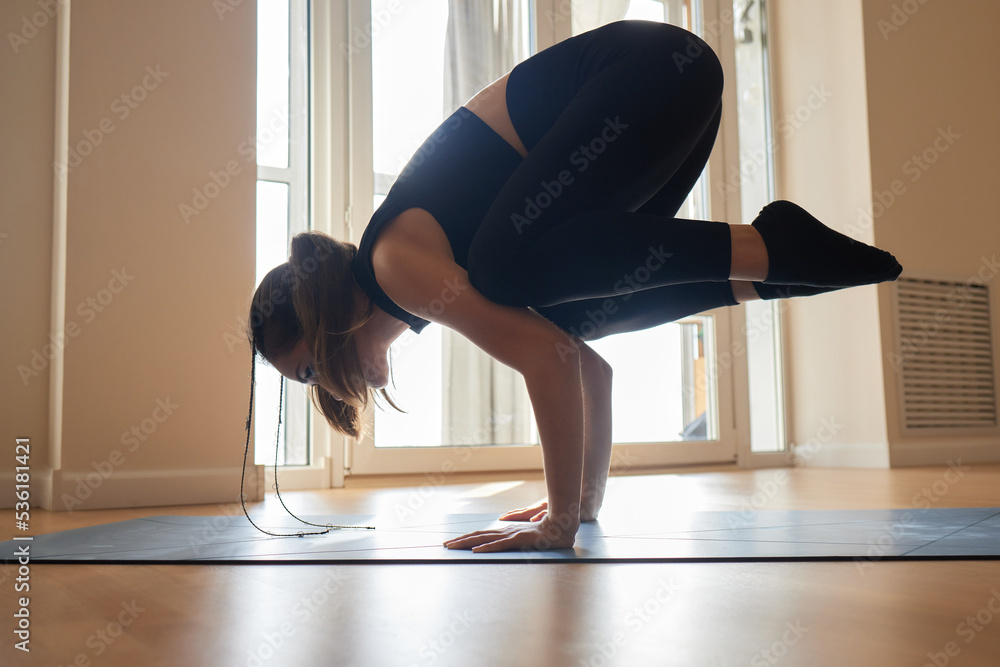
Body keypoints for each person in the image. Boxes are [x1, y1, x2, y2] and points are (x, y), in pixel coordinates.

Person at [244, 20, 902, 552]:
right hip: (668, 90)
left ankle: (772, 247)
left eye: (306, 372)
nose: (321, 388)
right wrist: (582, 502)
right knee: (572, 313)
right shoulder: (420, 272)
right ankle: (770, 279)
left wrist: (556, 524)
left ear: (326, 323)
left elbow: (548, 361)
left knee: (508, 271)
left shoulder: (395, 266)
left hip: (648, 76)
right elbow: (585, 363)